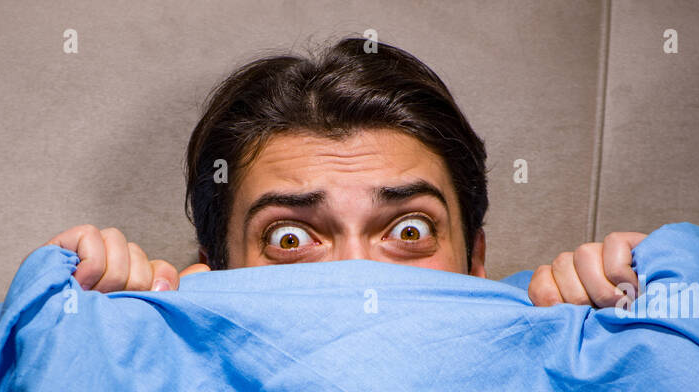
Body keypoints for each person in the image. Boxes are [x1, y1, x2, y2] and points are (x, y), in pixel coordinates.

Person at [44, 36, 646, 310]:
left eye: (410, 231)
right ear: (213, 270)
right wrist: (83, 326)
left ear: (476, 260)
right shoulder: (154, 384)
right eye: (290, 238)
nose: (358, 279)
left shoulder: (564, 343)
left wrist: (651, 296)